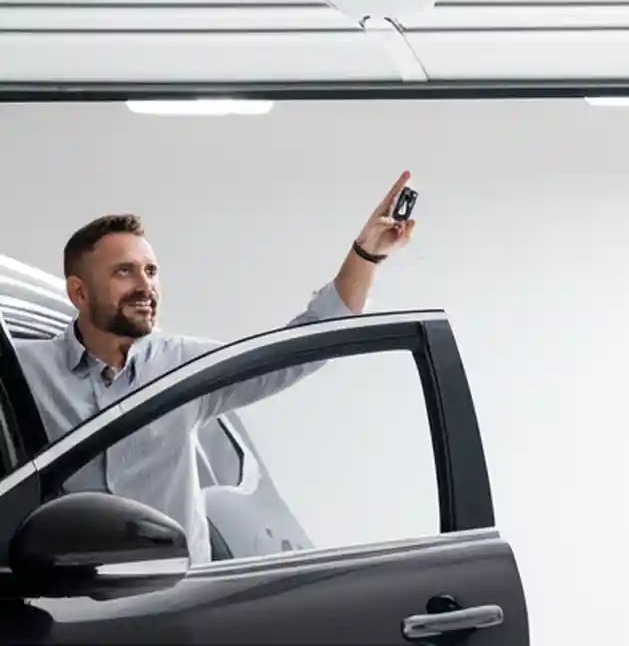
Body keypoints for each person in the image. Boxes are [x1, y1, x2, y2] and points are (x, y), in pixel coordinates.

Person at [13, 171, 417, 565]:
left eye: (150, 271)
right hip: (63, 609)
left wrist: (365, 255)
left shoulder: (183, 367)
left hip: (177, 602)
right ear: (78, 292)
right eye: (124, 271)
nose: (145, 285)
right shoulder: (22, 373)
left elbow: (300, 352)